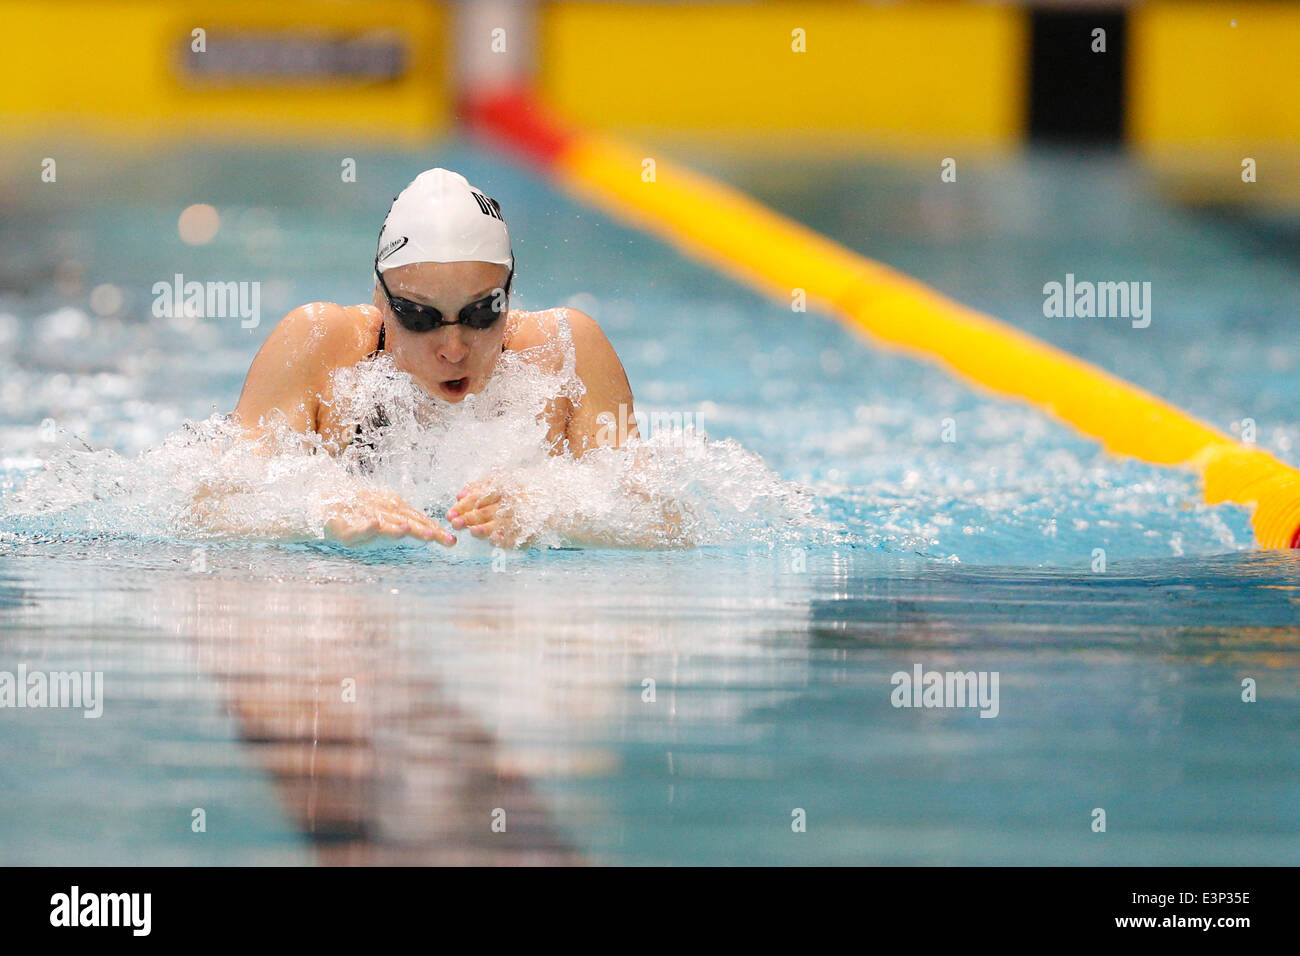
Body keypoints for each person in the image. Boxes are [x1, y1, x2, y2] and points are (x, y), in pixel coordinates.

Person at [224, 168, 654, 548]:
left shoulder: (565, 352)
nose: (454, 348)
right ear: (380, 298)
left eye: (482, 312)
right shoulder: (319, 345)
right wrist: (318, 508)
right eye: (419, 316)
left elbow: (663, 520)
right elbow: (208, 503)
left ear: (510, 292)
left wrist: (551, 510)